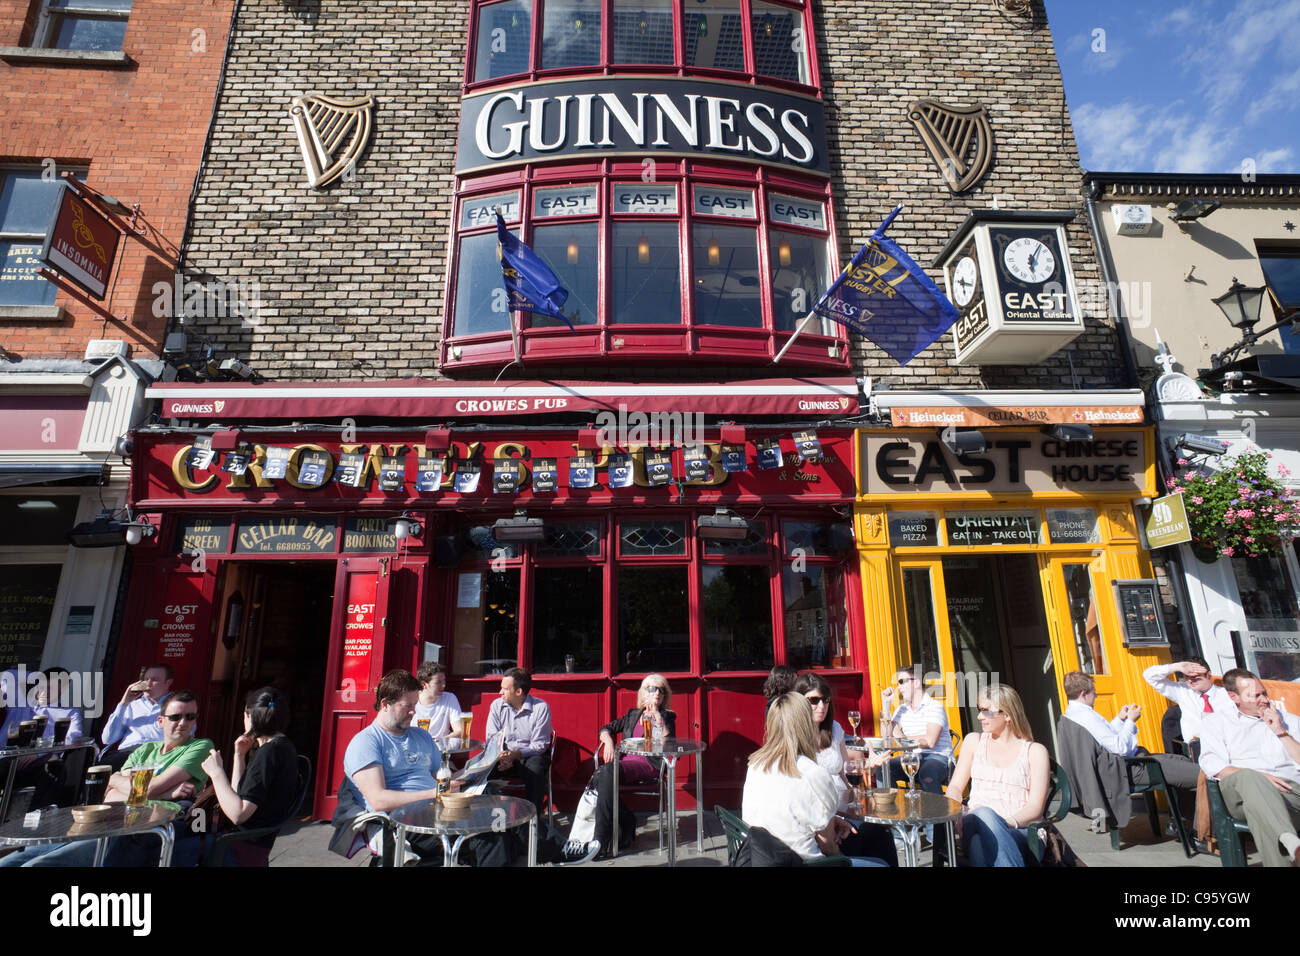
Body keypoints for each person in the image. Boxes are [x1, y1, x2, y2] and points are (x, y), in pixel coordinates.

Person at [1, 690, 212, 867]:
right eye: (175, 717)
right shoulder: (147, 749)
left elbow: (139, 790)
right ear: (160, 721)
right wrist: (166, 792)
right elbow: (110, 788)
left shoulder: (200, 747)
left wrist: (135, 787)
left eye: (190, 717)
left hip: (139, 829)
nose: (183, 723)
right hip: (107, 820)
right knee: (16, 858)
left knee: (40, 864)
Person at [741, 692, 893, 866]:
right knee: (881, 859)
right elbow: (828, 847)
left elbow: (782, 812)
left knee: (874, 833)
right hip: (805, 862)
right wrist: (840, 855)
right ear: (807, 726)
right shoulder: (813, 773)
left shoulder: (756, 764)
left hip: (764, 855)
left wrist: (832, 821)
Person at [1198, 668, 1300, 867]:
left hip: (1290, 794)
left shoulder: (1290, 721)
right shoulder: (1216, 722)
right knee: (1249, 777)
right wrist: (1261, 778)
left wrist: (1281, 733)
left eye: (1264, 693)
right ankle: (1293, 843)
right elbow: (1212, 764)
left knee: (1257, 810)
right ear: (1233, 697)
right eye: (1255, 696)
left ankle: (1292, 845)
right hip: (1240, 791)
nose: (1263, 699)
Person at [945, 683, 1049, 867]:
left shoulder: (1035, 751)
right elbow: (954, 787)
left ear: (1007, 715)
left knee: (978, 845)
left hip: (1022, 830)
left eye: (985, 711)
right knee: (983, 814)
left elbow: (1035, 808)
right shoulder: (973, 742)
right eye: (979, 710)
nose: (979, 716)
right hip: (974, 821)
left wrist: (1001, 824)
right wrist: (954, 807)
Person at [199, 686, 300, 866]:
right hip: (253, 846)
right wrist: (239, 756)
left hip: (239, 848)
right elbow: (239, 797)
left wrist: (216, 773)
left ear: (249, 717)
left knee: (165, 845)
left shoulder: (269, 753)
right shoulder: (283, 747)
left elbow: (238, 815)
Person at [1062, 670, 1199, 788]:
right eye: (1094, 692)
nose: (1096, 696)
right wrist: (1130, 721)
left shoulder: (1073, 713)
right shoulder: (1086, 716)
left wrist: (1120, 719)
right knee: (1201, 774)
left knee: (1183, 761)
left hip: (1128, 764)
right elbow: (1119, 748)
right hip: (1128, 769)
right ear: (1083, 694)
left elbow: (1105, 739)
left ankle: (1186, 815)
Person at [591, 674, 675, 855]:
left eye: (662, 689)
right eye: (653, 688)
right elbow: (606, 729)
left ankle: (600, 839)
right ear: (644, 693)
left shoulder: (667, 716)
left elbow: (668, 743)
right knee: (600, 777)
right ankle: (625, 821)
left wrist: (657, 716)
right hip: (626, 763)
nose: (658, 693)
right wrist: (609, 742)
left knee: (604, 773)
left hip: (649, 765)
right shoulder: (632, 715)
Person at [878, 665, 953, 794]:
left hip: (936, 757)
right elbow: (887, 737)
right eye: (897, 683)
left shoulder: (934, 707)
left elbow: (929, 742)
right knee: (883, 768)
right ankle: (893, 810)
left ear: (917, 682)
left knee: (927, 773)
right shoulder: (901, 709)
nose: (898, 687)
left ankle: (938, 812)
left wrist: (902, 738)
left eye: (902, 682)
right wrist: (886, 705)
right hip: (910, 757)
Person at [484, 667, 551, 811]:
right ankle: (492, 822)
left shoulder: (540, 708)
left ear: (519, 692)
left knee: (536, 768)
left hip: (527, 757)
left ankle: (533, 824)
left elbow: (540, 745)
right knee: (482, 771)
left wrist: (516, 755)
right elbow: (491, 738)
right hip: (502, 756)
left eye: (504, 689)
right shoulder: (496, 706)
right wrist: (502, 757)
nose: (500, 692)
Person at [1143, 657, 1233, 755]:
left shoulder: (1227, 695)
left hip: (1226, 745)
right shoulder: (1183, 691)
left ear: (1209, 675)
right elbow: (1149, 676)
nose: (1190, 681)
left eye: (1195, 677)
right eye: (1187, 677)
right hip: (1197, 749)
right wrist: (1177, 666)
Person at [100, 664, 174, 769]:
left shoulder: (177, 705)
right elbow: (108, 739)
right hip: (126, 754)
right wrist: (123, 703)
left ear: (168, 682)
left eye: (154, 680)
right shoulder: (132, 705)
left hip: (156, 755)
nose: (148, 683)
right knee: (99, 773)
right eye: (146, 679)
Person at [792, 673, 850, 795]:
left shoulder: (835, 728)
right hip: (811, 803)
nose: (822, 706)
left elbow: (845, 773)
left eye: (825, 699)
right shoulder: (792, 734)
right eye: (814, 700)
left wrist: (854, 796)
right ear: (799, 702)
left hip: (841, 799)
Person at [414, 661, 461, 738]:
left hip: (441, 748)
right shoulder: (411, 700)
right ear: (424, 684)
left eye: (444, 680)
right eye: (438, 682)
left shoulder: (449, 698)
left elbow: (459, 730)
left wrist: (439, 742)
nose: (443, 685)